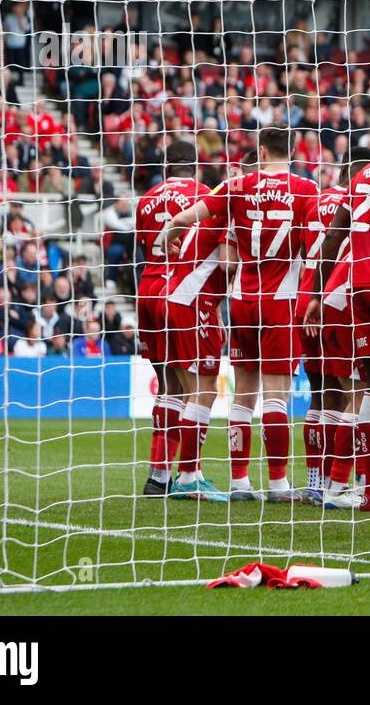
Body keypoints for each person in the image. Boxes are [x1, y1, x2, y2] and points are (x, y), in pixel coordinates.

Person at [163, 127, 319, 505]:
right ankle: (279, 485)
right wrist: (312, 296)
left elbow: (200, 212)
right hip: (281, 299)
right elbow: (315, 250)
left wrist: (174, 224)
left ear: (262, 150)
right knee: (276, 398)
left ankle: (239, 483)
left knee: (242, 397)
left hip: (241, 299)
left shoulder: (239, 185)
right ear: (293, 151)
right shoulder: (306, 189)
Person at [133, 140, 227, 502]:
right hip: (184, 293)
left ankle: (158, 476)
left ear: (164, 166)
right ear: (196, 165)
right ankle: (191, 472)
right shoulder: (205, 194)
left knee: (168, 385)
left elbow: (145, 245)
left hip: (149, 291)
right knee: (195, 389)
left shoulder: (147, 199)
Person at [299, 147, 370, 508]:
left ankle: (318, 481)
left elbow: (305, 248)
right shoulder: (367, 200)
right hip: (347, 293)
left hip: (310, 294)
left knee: (320, 394)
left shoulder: (314, 202)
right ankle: (348, 483)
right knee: (357, 396)